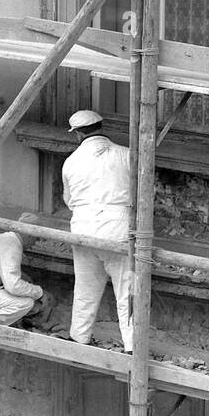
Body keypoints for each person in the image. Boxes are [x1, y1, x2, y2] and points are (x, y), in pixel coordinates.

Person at [60, 108, 134, 353]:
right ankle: (132, 346)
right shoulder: (126, 155)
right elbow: (139, 194)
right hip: (117, 226)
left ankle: (79, 336)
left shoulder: (70, 162)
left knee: (85, 286)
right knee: (126, 290)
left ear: (77, 135)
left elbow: (69, 200)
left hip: (83, 228)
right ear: (101, 127)